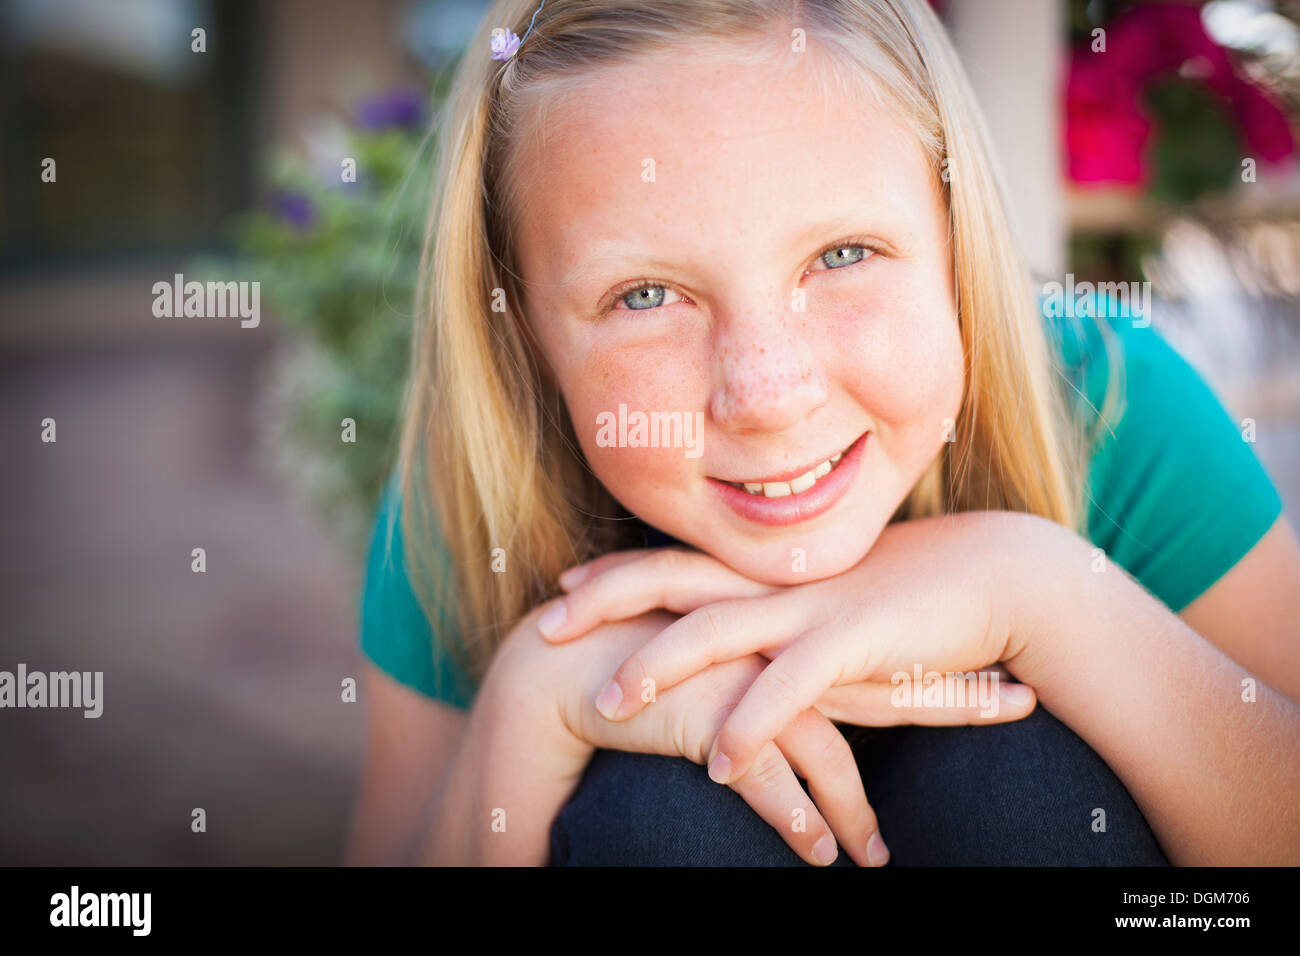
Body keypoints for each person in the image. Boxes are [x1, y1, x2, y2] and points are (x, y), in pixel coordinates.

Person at [345, 0, 1300, 867]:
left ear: (956, 239)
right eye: (645, 295)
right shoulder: (475, 489)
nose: (766, 393)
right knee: (658, 815)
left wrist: (1039, 590)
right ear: (524, 331)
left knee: (1015, 781)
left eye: (843, 254)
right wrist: (531, 702)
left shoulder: (1107, 405)